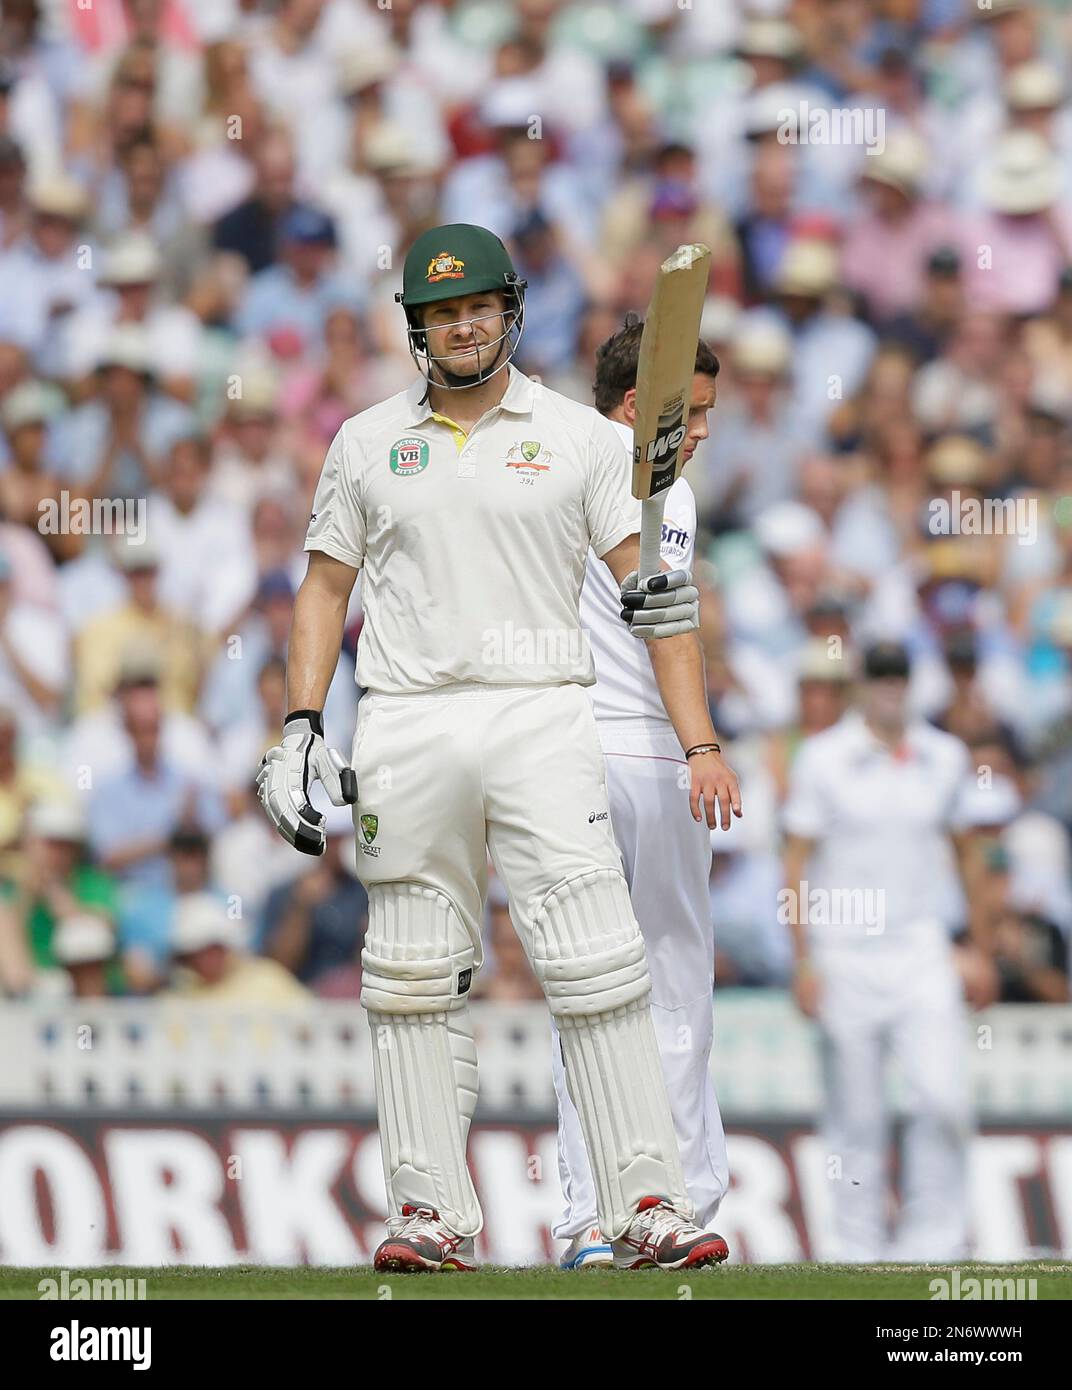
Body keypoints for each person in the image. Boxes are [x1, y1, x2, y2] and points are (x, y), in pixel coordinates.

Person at [258, 221, 739, 1274]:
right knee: (410, 973)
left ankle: (643, 1201)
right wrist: (300, 724)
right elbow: (323, 589)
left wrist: (694, 722)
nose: (462, 325)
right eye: (442, 312)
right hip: (407, 717)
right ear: (417, 327)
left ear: (508, 313)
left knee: (598, 961)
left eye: (477, 306)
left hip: (540, 711)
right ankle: (429, 1211)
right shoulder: (365, 440)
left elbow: (647, 594)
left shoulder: (577, 438)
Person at [550, 315, 736, 1269]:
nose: (702, 430)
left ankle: (594, 1219)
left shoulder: (545, 471)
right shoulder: (661, 490)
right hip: (650, 760)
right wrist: (703, 743)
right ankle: (676, 1200)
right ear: (639, 407)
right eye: (691, 412)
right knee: (666, 982)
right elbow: (668, 626)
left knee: (590, 992)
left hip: (564, 765)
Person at [781, 641, 997, 1262]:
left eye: (898, 674)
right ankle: (855, 1250)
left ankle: (934, 1243)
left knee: (943, 1097)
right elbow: (794, 865)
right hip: (843, 953)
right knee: (857, 1116)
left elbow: (969, 856)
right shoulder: (823, 759)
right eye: (878, 675)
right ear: (860, 685)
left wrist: (979, 951)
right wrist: (803, 961)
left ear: (912, 681)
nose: (889, 687)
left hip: (922, 947)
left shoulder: (944, 756)